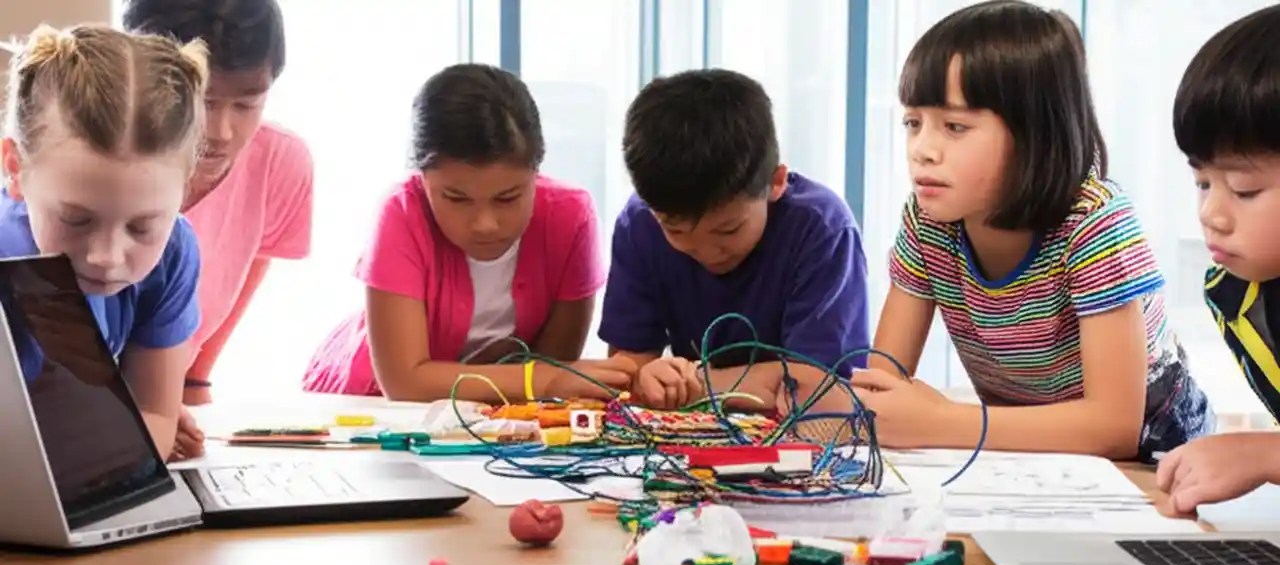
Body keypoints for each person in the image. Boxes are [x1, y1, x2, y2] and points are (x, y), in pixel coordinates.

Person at [839, 0, 1212, 460]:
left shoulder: (1095, 223)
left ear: (1036, 134)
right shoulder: (928, 222)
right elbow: (884, 386)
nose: (922, 149)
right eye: (913, 123)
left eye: (954, 126)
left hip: (1156, 451)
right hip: (1025, 449)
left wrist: (938, 420)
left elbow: (1113, 427)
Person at [303, 64, 633, 402]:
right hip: (369, 407)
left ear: (537, 170)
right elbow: (404, 382)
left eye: (508, 198)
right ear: (422, 178)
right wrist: (542, 381)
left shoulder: (570, 218)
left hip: (499, 419)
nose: (484, 223)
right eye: (456, 198)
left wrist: (546, 381)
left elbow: (554, 363)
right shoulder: (401, 212)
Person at [598, 68, 870, 411]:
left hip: (802, 438)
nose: (707, 252)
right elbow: (627, 366)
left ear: (776, 182)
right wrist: (648, 377)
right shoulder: (640, 223)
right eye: (676, 232)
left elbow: (817, 387)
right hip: (692, 435)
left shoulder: (822, 229)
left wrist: (696, 385)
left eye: (728, 230)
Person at [0, 24, 207, 457]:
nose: (106, 258)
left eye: (142, 227)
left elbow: (156, 415)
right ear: (15, 168)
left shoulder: (172, 256)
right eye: (75, 219)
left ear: (184, 189)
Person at [122, 0, 314, 460]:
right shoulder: (98, 166)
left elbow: (241, 282)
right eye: (203, 100)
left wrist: (188, 387)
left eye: (248, 103)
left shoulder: (279, 162)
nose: (222, 132)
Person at [1157, 5, 1280, 513]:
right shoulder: (1236, 291)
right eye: (1203, 182)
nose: (1211, 213)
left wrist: (1266, 455)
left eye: (1245, 189)